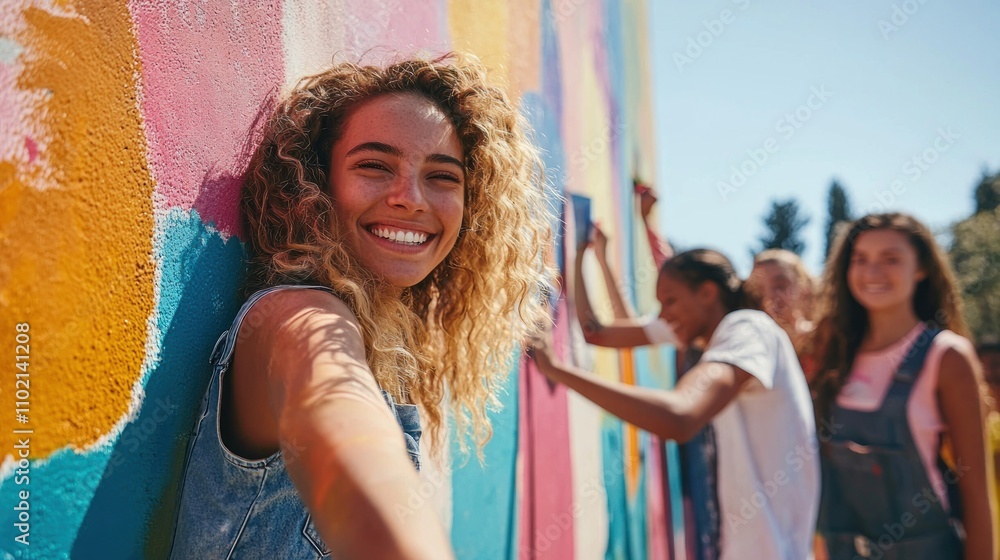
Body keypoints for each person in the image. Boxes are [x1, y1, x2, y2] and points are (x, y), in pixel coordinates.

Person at [167, 54, 554, 560]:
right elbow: (350, 437)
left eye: (442, 176)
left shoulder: (388, 351)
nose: (410, 198)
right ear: (316, 184)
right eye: (374, 166)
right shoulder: (298, 318)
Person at [533, 248, 820, 560]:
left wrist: (557, 370)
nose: (663, 314)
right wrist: (581, 255)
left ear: (708, 293)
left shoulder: (748, 329)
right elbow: (597, 333)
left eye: (670, 300)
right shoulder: (709, 332)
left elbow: (680, 415)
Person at [811, 213, 995, 560]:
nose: (873, 272)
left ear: (921, 268)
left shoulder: (946, 356)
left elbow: (975, 489)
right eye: (860, 259)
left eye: (891, 259)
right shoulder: (833, 354)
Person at [747, 249, 818, 379]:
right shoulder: (751, 348)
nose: (768, 297)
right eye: (758, 290)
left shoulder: (822, 339)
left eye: (780, 286)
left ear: (804, 289)